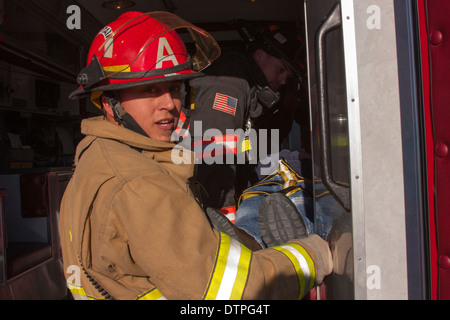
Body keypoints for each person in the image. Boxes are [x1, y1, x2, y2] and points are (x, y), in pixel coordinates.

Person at [59, 11, 332, 300]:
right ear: (109, 103)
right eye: (149, 89)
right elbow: (235, 294)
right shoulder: (141, 184)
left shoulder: (95, 152)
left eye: (174, 88)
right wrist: (313, 255)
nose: (169, 103)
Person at [178, 21, 307, 220]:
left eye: (287, 76)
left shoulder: (252, 89)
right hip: (210, 197)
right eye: (281, 69)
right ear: (260, 55)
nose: (282, 80)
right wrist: (224, 216)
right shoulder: (230, 84)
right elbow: (214, 152)